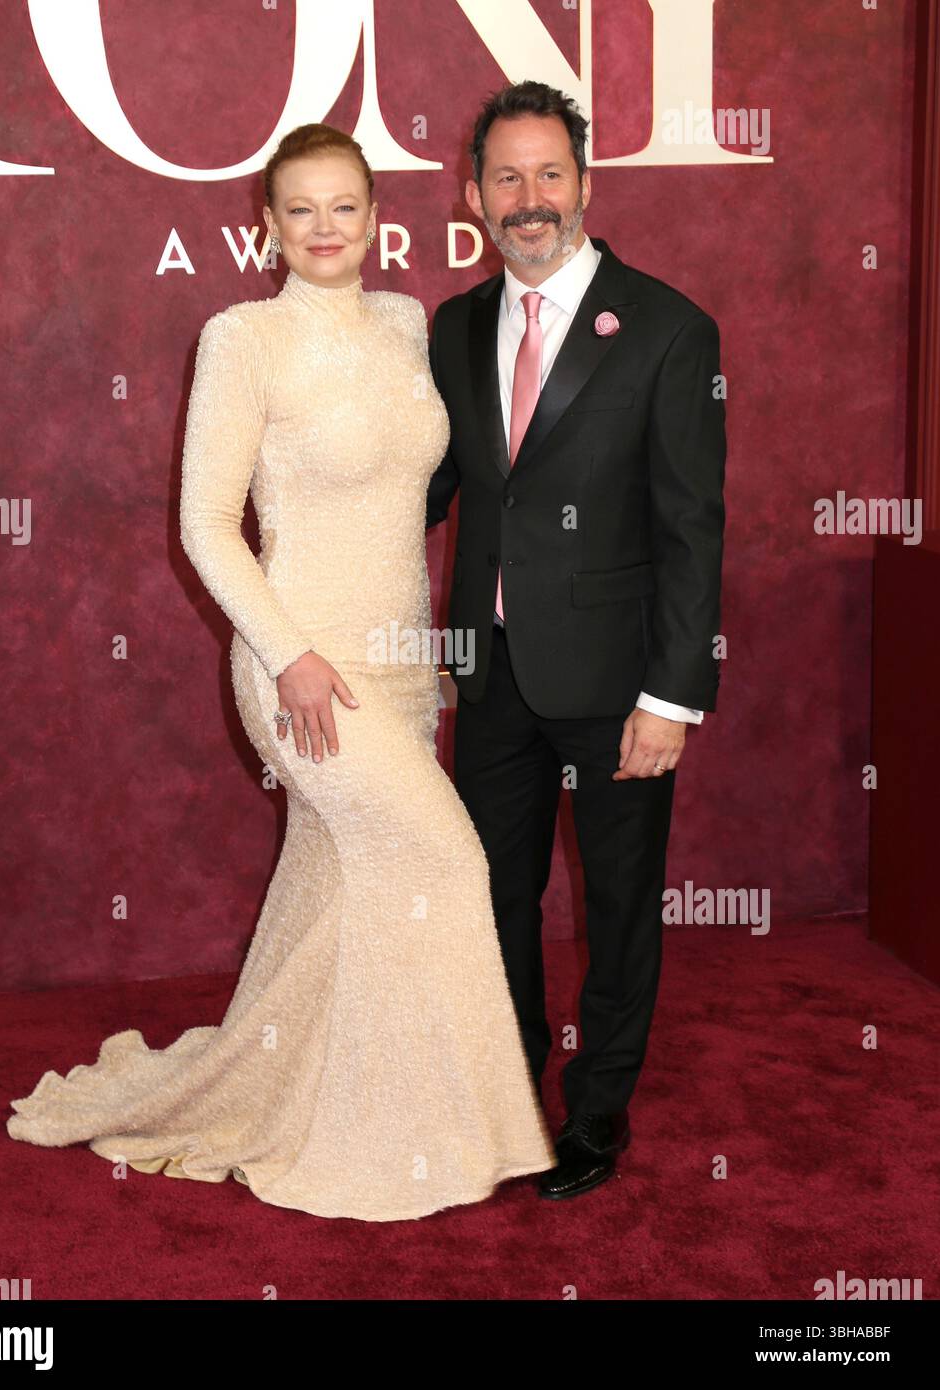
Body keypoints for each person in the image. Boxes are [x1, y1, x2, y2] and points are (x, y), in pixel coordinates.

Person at [6, 122, 554, 1222]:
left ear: (376, 219)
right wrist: (289, 652)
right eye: (298, 210)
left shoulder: (406, 323)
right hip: (299, 665)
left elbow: (426, 495)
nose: (323, 229)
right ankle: (438, 1135)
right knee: (446, 862)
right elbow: (206, 525)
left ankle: (302, 1086)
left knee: (343, 894)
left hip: (400, 672)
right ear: (265, 226)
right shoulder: (242, 337)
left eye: (343, 207)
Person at [426, 82, 727, 1200]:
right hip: (491, 672)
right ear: (473, 197)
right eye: (506, 177)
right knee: (490, 896)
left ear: (587, 185)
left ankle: (597, 1112)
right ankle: (511, 1096)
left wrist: (673, 697)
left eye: (550, 174)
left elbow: (694, 527)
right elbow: (440, 486)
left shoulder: (667, 328)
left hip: (618, 685)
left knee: (616, 901)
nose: (530, 198)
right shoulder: (453, 328)